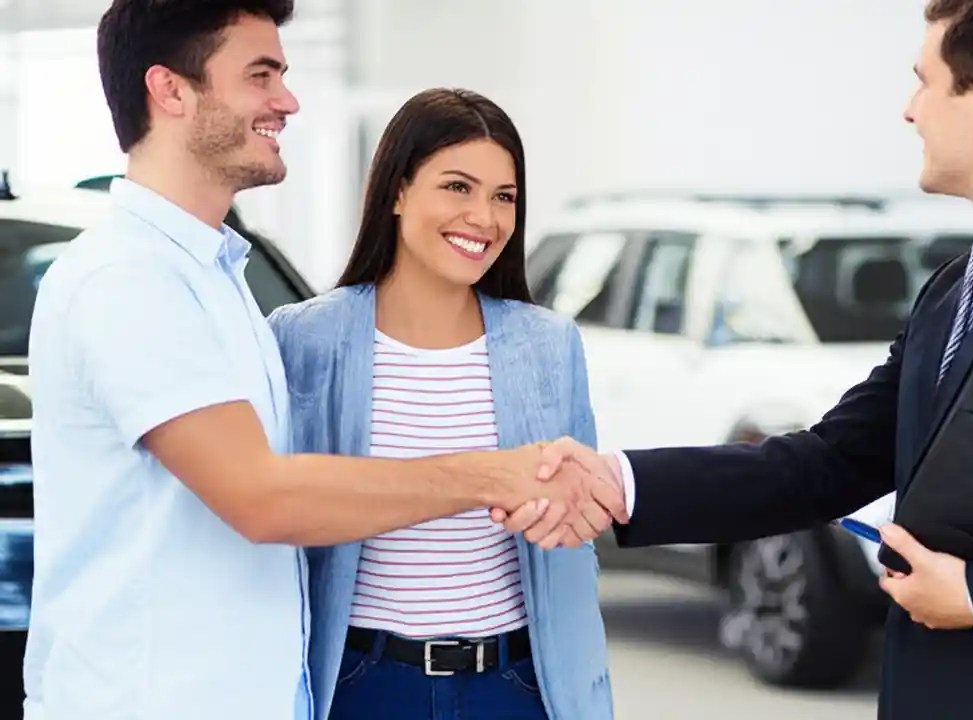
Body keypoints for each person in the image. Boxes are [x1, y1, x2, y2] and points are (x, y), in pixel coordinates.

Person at [507, 1, 973, 718]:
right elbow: (827, 463)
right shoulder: (955, 288)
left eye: (924, 80)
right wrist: (617, 484)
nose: (910, 110)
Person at [24, 3, 621, 719]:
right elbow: (264, 497)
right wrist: (495, 472)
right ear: (170, 90)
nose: (288, 99)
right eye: (261, 74)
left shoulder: (217, 282)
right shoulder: (130, 280)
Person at [267, 88, 614, 720]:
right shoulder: (301, 340)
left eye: (503, 197)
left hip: (515, 688)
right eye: (458, 187)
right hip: (362, 685)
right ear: (398, 192)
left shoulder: (549, 345)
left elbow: (579, 534)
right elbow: (275, 511)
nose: (484, 217)